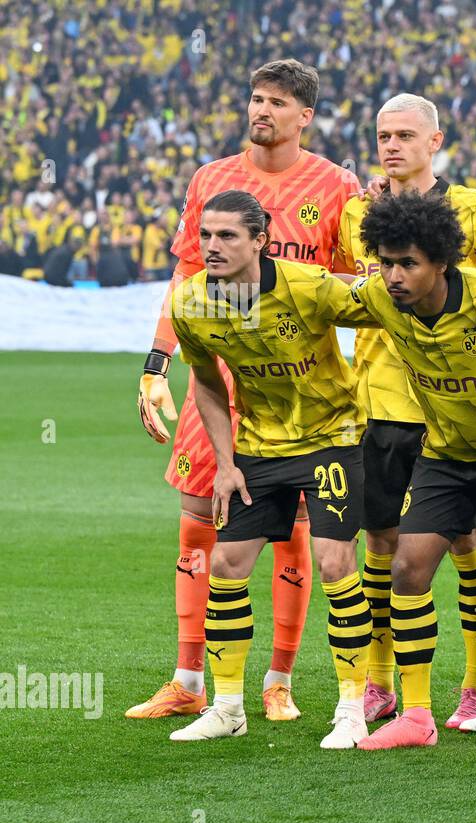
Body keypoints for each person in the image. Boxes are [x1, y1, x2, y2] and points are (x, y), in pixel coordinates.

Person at [130, 59, 360, 723]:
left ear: (304, 115)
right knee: (199, 520)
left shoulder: (335, 185)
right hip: (217, 376)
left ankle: (278, 679)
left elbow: (359, 282)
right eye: (256, 98)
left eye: (278, 102)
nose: (262, 110)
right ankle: (187, 678)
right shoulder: (212, 179)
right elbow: (185, 274)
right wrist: (156, 361)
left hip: (295, 388)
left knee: (295, 532)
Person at [333, 190, 476, 758]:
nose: (393, 275)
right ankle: (417, 714)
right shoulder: (381, 300)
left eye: (407, 263)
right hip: (449, 452)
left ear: (441, 261)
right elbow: (315, 299)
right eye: (385, 262)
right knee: (406, 568)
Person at [166, 190, 371, 748]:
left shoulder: (309, 286)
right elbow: (206, 381)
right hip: (259, 446)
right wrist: (226, 464)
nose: (212, 246)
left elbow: (386, 308)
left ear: (260, 241)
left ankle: (352, 708)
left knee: (334, 562)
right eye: (206, 235)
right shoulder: (190, 303)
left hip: (333, 437)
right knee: (228, 562)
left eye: (228, 235)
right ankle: (228, 707)